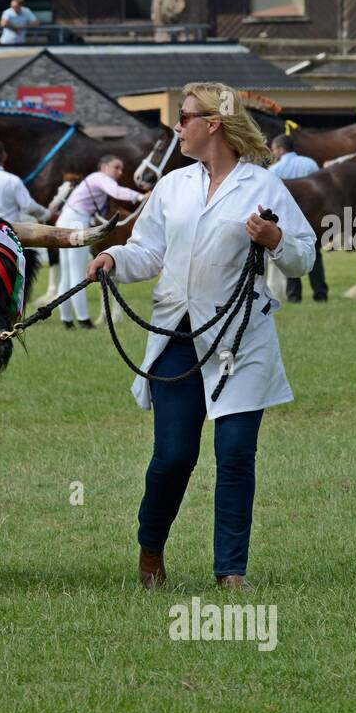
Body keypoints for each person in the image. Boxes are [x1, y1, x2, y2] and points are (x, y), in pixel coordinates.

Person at [86, 82, 315, 592]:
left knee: (234, 454)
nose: (177, 126)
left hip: (240, 340)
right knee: (173, 456)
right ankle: (151, 547)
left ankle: (230, 570)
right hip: (176, 339)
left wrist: (275, 239)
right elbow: (147, 251)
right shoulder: (172, 186)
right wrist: (114, 259)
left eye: (184, 117)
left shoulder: (264, 186)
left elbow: (304, 256)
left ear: (212, 124)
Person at [56, 155, 145, 329]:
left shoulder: (94, 179)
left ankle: (67, 319)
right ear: (103, 167)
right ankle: (83, 320)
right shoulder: (99, 178)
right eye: (116, 167)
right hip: (76, 223)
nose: (119, 172)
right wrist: (141, 197)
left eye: (121, 168)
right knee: (75, 272)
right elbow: (117, 192)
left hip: (67, 221)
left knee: (67, 273)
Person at [268, 134, 327, 303]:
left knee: (290, 254)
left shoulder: (274, 170)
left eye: (274, 150)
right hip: (311, 215)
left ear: (280, 149)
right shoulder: (309, 163)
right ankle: (320, 293)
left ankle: (294, 296)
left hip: (287, 218)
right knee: (315, 253)